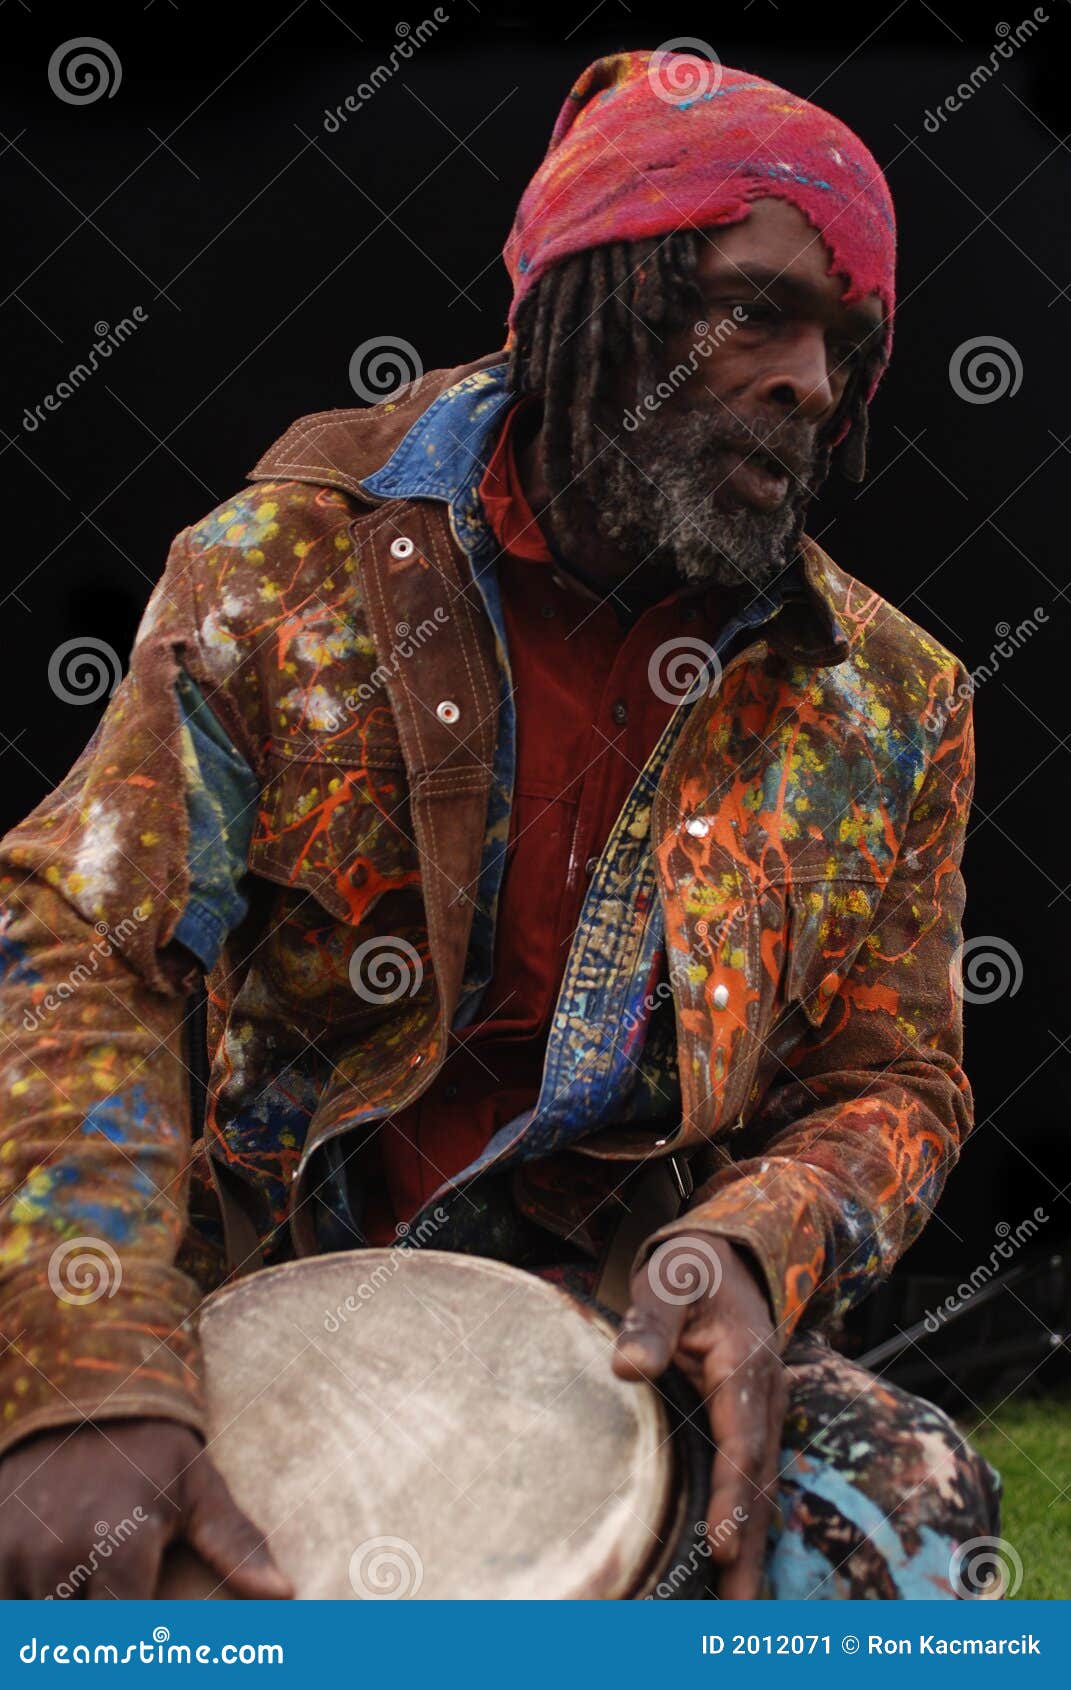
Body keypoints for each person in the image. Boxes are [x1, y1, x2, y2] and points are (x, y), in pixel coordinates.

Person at [0, 50, 999, 1600]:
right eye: (754, 308)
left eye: (846, 343)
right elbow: (83, 946)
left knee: (908, 1510)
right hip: (243, 1277)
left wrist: (751, 1244)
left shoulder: (893, 704)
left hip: (605, 1322)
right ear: (594, 298)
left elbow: (899, 1079)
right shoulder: (277, 570)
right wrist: (90, 1360)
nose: (812, 379)